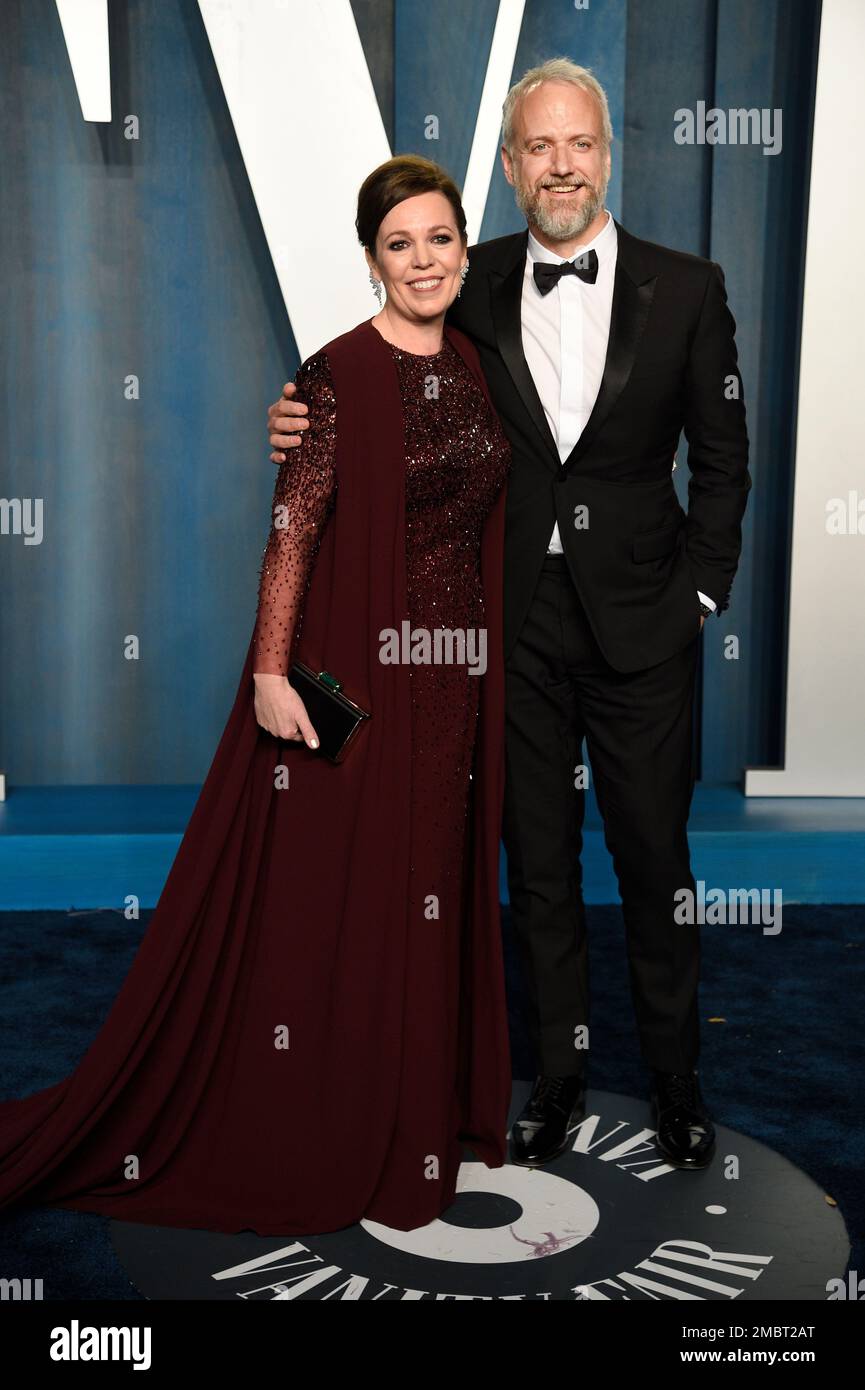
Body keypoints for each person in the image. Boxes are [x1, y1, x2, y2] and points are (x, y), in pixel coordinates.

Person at [0, 155, 513, 1235]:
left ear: (466, 245)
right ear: (371, 259)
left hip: (455, 684)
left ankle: (426, 1111)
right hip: (363, 686)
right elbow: (293, 529)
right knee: (359, 897)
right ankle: (354, 1119)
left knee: (435, 885)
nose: (424, 260)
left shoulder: (473, 361)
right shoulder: (332, 378)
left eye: (440, 239)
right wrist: (272, 672)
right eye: (400, 244)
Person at [268, 59, 752, 1172]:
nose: (561, 164)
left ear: (606, 153)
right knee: (535, 865)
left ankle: (677, 1081)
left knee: (651, 858)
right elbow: (372, 373)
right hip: (513, 629)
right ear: (508, 165)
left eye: (577, 142)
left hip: (644, 629)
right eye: (538, 147)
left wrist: (698, 593)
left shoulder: (687, 288)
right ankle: (559, 1075)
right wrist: (297, 411)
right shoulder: (468, 277)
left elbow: (722, 463)